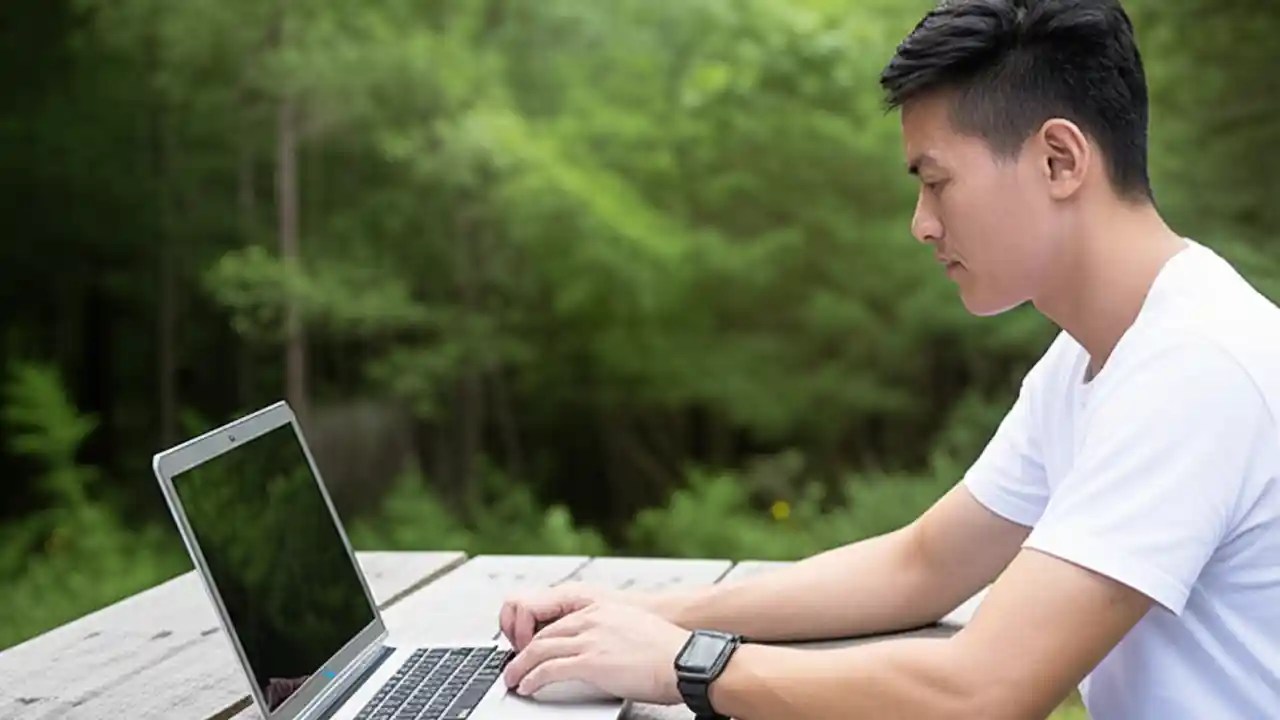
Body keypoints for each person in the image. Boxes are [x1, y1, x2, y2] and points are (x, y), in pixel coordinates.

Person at [498, 1, 1280, 717]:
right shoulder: (1093, 361)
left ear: (1059, 161)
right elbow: (924, 565)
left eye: (936, 182)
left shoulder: (1195, 368)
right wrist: (645, 614)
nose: (922, 224)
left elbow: (983, 692)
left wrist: (685, 665)